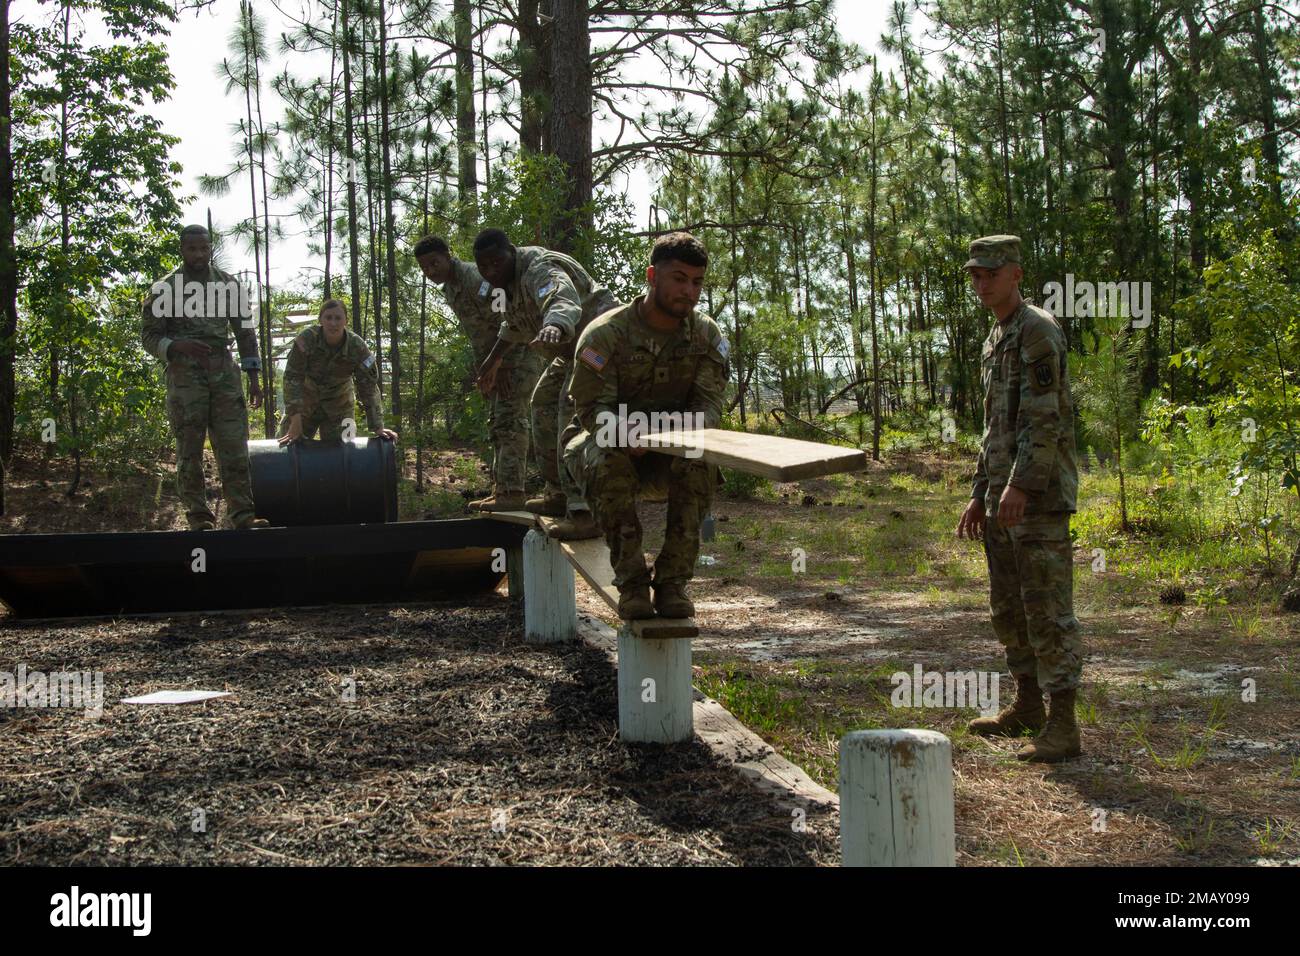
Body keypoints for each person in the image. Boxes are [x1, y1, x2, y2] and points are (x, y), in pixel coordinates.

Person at [955, 234, 1083, 763]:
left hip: (1038, 498)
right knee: (1009, 607)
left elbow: (1043, 419)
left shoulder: (1037, 332)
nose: (982, 283)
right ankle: (1027, 707)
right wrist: (980, 492)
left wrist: (1022, 487)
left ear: (1016, 274)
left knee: (1046, 608)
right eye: (975, 276)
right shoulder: (997, 336)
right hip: (1002, 495)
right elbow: (996, 429)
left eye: (991, 273)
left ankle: (1063, 725)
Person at [564, 232, 727, 619]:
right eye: (679, 278)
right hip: (604, 445)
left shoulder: (706, 336)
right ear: (653, 275)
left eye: (697, 282)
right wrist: (624, 433)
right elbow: (591, 411)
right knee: (609, 461)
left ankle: (672, 583)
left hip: (665, 453)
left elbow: (709, 409)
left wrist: (666, 433)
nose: (689, 291)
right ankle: (633, 584)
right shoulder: (606, 334)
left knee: (700, 460)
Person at [472, 228, 620, 539]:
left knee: (572, 408)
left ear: (511, 252)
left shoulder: (539, 269)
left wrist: (554, 324)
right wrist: (492, 360)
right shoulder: (510, 286)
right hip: (571, 351)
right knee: (542, 402)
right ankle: (558, 494)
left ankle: (584, 512)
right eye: (483, 266)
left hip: (601, 347)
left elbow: (560, 298)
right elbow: (513, 325)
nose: (490, 271)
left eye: (496, 263)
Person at [141, 225, 268, 531]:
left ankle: (242, 514)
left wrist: (254, 378)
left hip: (224, 371)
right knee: (189, 447)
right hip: (185, 374)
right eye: (192, 249)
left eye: (203, 248)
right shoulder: (164, 289)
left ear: (210, 248)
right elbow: (148, 336)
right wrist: (175, 346)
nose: (198, 254)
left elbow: (246, 333)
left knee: (234, 444)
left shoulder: (228, 285)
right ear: (182, 251)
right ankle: (198, 517)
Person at [412, 235, 542, 511]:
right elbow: (479, 334)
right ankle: (502, 490)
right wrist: (485, 371)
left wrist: (503, 366)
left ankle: (513, 492)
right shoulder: (451, 288)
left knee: (510, 420)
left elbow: (508, 319)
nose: (431, 272)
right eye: (425, 269)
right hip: (496, 364)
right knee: (498, 422)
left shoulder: (474, 278)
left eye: (435, 263)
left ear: (448, 255)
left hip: (517, 357)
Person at [278, 299, 396, 445]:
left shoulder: (357, 347)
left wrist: (378, 426)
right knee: (285, 448)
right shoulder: (306, 339)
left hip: (341, 406)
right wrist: (295, 420)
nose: (333, 323)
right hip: (305, 403)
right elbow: (291, 379)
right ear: (321, 319)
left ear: (346, 320)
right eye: (328, 318)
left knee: (346, 452)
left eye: (338, 318)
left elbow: (369, 387)